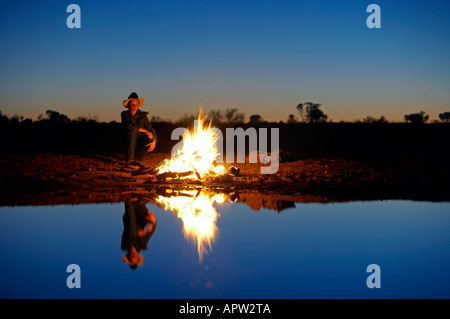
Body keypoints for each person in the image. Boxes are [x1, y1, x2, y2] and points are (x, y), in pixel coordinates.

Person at [121, 92, 157, 164]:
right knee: (132, 132)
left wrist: (154, 140)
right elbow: (129, 126)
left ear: (138, 105)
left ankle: (138, 159)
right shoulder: (124, 114)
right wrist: (145, 131)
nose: (135, 106)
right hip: (128, 140)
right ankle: (130, 160)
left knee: (150, 139)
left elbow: (150, 128)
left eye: (136, 104)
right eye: (132, 104)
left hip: (140, 140)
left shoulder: (143, 116)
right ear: (129, 105)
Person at [121, 200, 157, 270]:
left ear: (129, 256)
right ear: (138, 256)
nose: (133, 256)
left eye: (132, 257)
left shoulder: (124, 245)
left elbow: (130, 235)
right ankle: (139, 198)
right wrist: (153, 222)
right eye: (135, 258)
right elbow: (150, 233)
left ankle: (129, 200)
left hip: (130, 218)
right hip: (141, 218)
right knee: (146, 214)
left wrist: (140, 233)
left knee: (131, 230)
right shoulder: (142, 244)